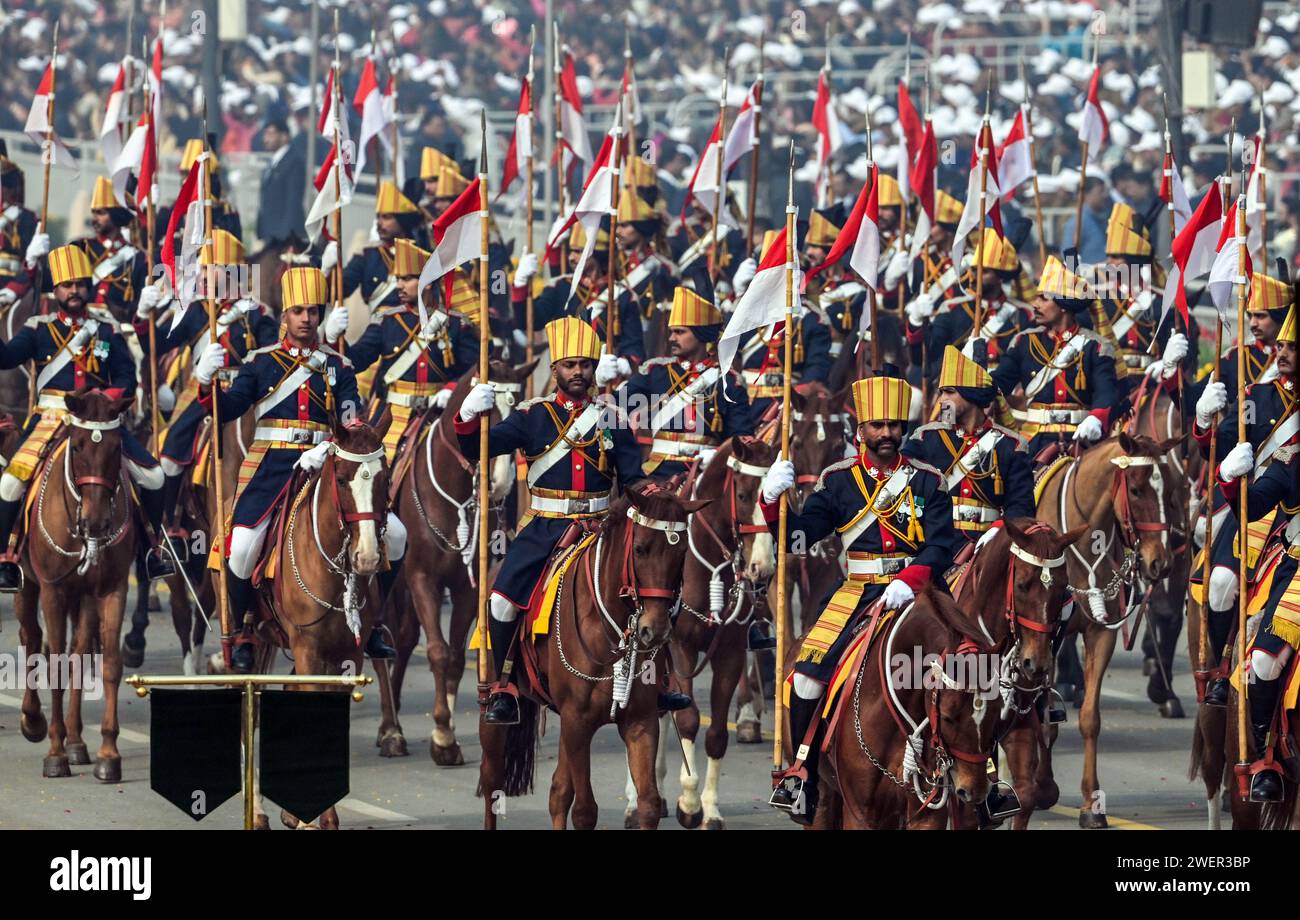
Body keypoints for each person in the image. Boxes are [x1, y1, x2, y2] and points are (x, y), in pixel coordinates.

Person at [453, 317, 680, 723]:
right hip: (544, 527)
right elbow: (479, 448)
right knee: (501, 602)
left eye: (585, 365)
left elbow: (632, 479)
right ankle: (503, 684)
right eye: (570, 364)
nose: (578, 372)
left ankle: (660, 679)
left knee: (655, 591)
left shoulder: (611, 417)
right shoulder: (530, 416)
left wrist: (660, 495)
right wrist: (469, 417)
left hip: (600, 529)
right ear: (555, 368)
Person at [763, 371, 956, 824]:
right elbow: (799, 540)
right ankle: (803, 778)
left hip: (921, 590)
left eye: (893, 424)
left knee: (974, 669)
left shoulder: (928, 480)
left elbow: (941, 543)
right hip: (856, 592)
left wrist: (910, 579)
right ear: (860, 431)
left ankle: (981, 774)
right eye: (877, 426)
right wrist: (773, 502)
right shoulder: (838, 481)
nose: (887, 433)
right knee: (806, 678)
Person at [196, 267, 405, 672]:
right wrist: (207, 383)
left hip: (328, 465)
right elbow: (230, 409)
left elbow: (349, 421)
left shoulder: (340, 367)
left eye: (313, 310)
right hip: (271, 466)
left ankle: (375, 621)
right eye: (298, 311)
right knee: (240, 547)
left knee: (395, 535)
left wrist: (327, 446)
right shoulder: (259, 364)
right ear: (285, 317)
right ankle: (244, 628)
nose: (307, 318)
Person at [0, 245, 174, 589]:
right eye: (67, 285)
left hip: (99, 422)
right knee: (9, 484)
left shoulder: (106, 330)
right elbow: (6, 357)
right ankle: (7, 557)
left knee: (154, 477)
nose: (74, 290)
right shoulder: (38, 328)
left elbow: (126, 376)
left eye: (79, 283)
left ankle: (152, 549)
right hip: (50, 419)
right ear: (56, 290)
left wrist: (104, 401)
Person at [1192, 295, 1298, 707]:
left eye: (1292, 347)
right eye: (1282, 347)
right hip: (1256, 508)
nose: (1282, 353)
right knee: (1221, 585)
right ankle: (1222, 669)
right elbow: (1215, 450)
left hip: (1292, 518)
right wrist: (1205, 422)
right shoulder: (1259, 396)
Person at [139, 229, 279, 535]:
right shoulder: (195, 311)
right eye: (201, 268)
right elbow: (156, 345)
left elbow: (272, 355)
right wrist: (143, 316)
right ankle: (169, 523)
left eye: (208, 268)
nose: (202, 275)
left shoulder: (256, 314)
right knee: (170, 452)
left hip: (243, 395)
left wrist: (249, 367)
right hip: (201, 390)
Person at [344, 238, 478, 462]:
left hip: (437, 416)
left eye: (407, 279)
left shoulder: (456, 324)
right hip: (392, 417)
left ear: (427, 281)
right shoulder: (387, 321)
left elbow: (474, 367)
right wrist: (335, 337)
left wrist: (452, 388)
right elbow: (356, 360)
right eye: (398, 279)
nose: (399, 286)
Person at [904, 346, 1034, 552]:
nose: (941, 401)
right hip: (933, 541)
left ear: (971, 395)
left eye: (949, 392)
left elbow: (1021, 506)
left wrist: (1000, 530)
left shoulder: (1012, 445)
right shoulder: (925, 438)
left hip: (987, 547)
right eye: (941, 393)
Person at [619, 287, 754, 479]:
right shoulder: (655, 372)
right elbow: (617, 406)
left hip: (705, 477)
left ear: (700, 334)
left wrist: (718, 455)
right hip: (658, 475)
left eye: (680, 332)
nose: (672, 338)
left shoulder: (729, 382)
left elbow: (742, 439)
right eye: (672, 332)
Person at [992, 256, 1119, 459]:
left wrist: (1096, 417)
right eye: (1036, 297)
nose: (1035, 304)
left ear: (1062, 304)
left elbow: (1106, 391)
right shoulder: (1023, 342)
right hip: (1033, 439)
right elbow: (998, 384)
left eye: (1043, 298)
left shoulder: (1096, 347)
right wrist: (976, 371)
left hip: (1080, 437)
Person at [322, 181, 427, 315]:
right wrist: (327, 271)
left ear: (402, 221)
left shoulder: (421, 256)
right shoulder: (366, 257)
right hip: (378, 328)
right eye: (378, 217)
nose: (379, 223)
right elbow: (337, 292)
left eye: (386, 217)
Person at [1060, 176, 1112, 265]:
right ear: (1086, 195)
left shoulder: (1104, 218)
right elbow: (1069, 259)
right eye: (1100, 191)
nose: (1105, 195)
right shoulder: (1077, 223)